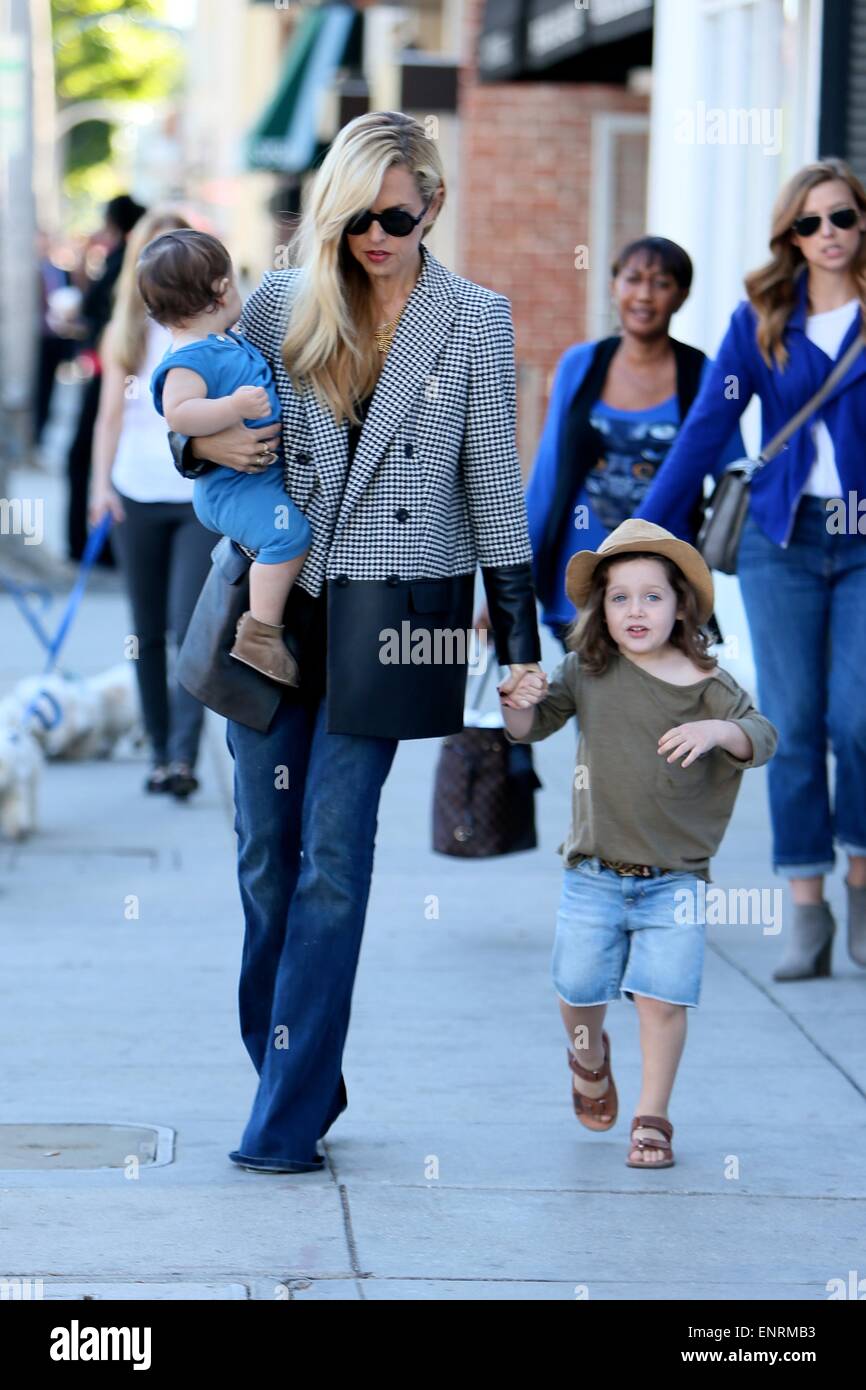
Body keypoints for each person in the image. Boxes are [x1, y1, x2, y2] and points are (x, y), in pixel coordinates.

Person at [167, 110, 546, 1173]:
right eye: (356, 218)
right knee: (262, 862)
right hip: (270, 616)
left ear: (433, 205)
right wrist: (208, 439)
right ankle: (300, 1069)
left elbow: (495, 496)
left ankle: (280, 1122)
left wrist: (518, 652)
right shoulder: (285, 301)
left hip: (394, 624)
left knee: (333, 857)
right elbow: (196, 428)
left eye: (397, 215)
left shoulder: (474, 319)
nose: (375, 235)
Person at [636, 157, 866, 980]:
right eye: (810, 224)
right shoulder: (763, 317)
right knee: (795, 725)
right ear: (789, 236)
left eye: (841, 217)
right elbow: (706, 430)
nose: (828, 235)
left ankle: (862, 885)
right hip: (784, 540)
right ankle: (807, 907)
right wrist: (643, 529)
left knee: (859, 719)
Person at [500, 520, 777, 1168]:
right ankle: (589, 1056)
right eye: (620, 597)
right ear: (601, 609)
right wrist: (517, 700)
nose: (636, 610)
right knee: (576, 987)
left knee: (664, 998)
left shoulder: (709, 682)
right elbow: (529, 728)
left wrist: (717, 731)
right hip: (594, 871)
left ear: (681, 605)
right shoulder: (588, 670)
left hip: (676, 879)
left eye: (652, 596)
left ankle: (653, 1118)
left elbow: (761, 735)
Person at [521, 237, 742, 651]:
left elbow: (735, 482)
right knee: (595, 713)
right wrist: (513, 587)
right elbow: (546, 480)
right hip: (581, 586)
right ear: (613, 286)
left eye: (661, 283)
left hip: (666, 593)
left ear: (682, 295)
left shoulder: (704, 375)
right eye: (633, 279)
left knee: (661, 714)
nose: (644, 294)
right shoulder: (580, 365)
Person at [137, 229, 311, 687]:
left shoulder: (222, 341)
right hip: (230, 490)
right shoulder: (189, 359)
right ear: (220, 291)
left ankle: (264, 626)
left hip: (250, 482)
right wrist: (234, 408)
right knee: (288, 537)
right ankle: (261, 632)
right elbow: (179, 414)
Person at [89, 208, 216, 799]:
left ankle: (186, 758)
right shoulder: (128, 332)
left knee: (192, 628)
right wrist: (99, 486)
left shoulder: (209, 333)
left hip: (195, 499)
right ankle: (160, 751)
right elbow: (110, 416)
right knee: (144, 634)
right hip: (135, 494)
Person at [67, 193, 146, 564]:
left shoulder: (124, 261)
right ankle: (98, 544)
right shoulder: (134, 262)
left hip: (108, 369)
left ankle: (89, 545)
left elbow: (87, 306)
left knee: (86, 454)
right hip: (112, 366)